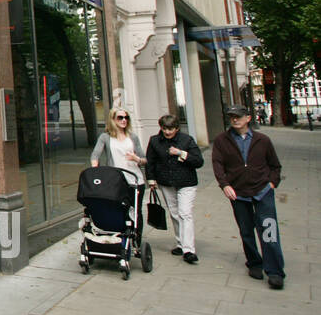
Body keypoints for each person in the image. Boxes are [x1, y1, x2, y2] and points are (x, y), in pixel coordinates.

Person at [212, 105, 285, 288]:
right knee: (246, 231)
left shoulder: (262, 140)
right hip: (238, 193)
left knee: (269, 232)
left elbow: (275, 166)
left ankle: (275, 271)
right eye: (231, 117)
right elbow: (218, 164)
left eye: (238, 116)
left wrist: (272, 183)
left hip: (262, 192)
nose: (234, 120)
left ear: (248, 118)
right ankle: (254, 263)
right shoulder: (222, 140)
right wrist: (225, 185)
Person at [145, 114, 203, 263]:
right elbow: (150, 161)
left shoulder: (186, 140)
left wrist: (181, 153)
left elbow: (198, 161)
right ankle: (180, 243)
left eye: (170, 128)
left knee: (185, 213)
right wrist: (151, 180)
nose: (168, 132)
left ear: (177, 128)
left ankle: (189, 250)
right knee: (175, 213)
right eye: (164, 128)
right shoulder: (154, 141)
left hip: (186, 182)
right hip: (166, 182)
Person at [90, 106, 145, 184]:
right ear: (113, 119)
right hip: (115, 180)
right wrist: (94, 169)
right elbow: (95, 154)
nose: (124, 120)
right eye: (120, 117)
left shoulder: (133, 137)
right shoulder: (105, 137)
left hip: (135, 179)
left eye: (126, 117)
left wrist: (136, 159)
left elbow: (144, 160)